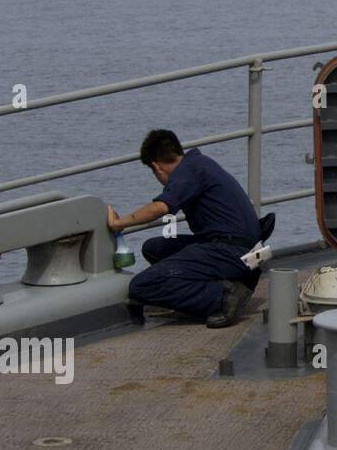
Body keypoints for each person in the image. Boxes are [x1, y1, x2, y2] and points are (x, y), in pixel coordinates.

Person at [107, 129, 261, 328]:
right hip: (248, 250)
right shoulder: (199, 163)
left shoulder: (187, 173)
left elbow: (161, 207)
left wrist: (119, 223)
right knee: (154, 248)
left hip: (232, 252)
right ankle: (223, 286)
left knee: (141, 286)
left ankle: (223, 297)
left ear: (156, 167)